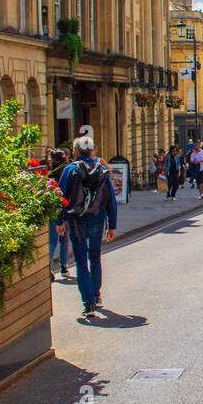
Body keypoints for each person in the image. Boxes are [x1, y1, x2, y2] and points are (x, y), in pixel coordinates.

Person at [56, 136, 117, 319]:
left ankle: (88, 304)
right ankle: (96, 295)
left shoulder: (69, 170)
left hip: (76, 220)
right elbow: (110, 200)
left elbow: (59, 196)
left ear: (75, 151)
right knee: (95, 256)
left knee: (81, 261)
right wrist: (111, 225)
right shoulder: (101, 171)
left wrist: (59, 221)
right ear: (92, 151)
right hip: (97, 219)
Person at [47, 148, 71, 280]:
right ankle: (64, 267)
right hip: (65, 210)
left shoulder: (50, 177)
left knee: (52, 241)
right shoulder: (67, 174)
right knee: (64, 240)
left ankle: (49, 266)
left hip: (53, 211)